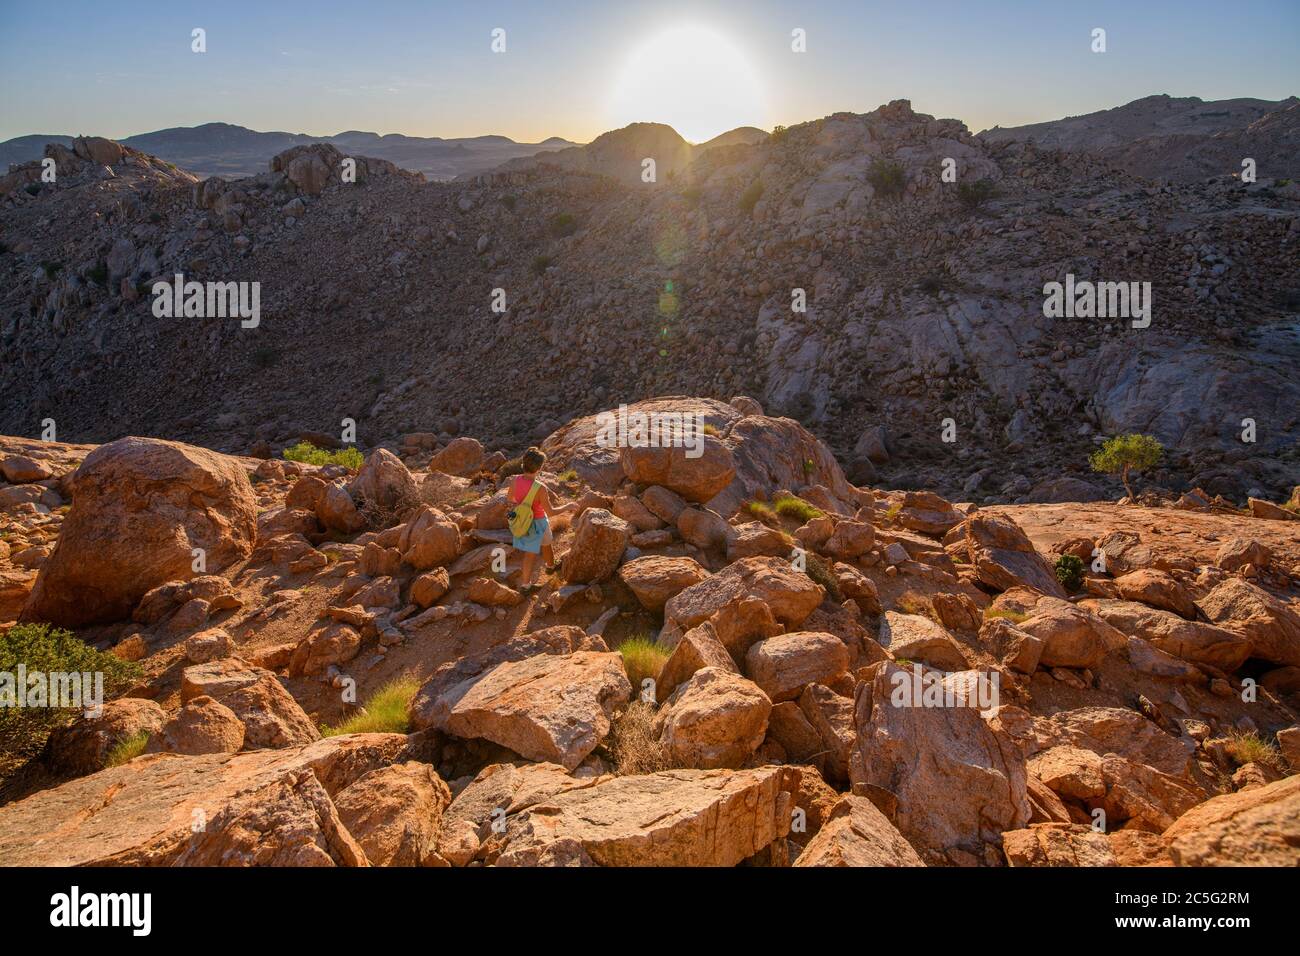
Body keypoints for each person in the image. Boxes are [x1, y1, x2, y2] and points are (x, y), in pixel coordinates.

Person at [509, 447, 557, 593]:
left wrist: (522, 505)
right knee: (534, 552)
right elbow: (551, 511)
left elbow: (510, 498)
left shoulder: (515, 480)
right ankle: (526, 585)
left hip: (524, 522)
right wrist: (569, 506)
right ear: (540, 467)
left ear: (523, 464)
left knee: (544, 545)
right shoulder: (540, 488)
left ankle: (550, 566)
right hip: (539, 523)